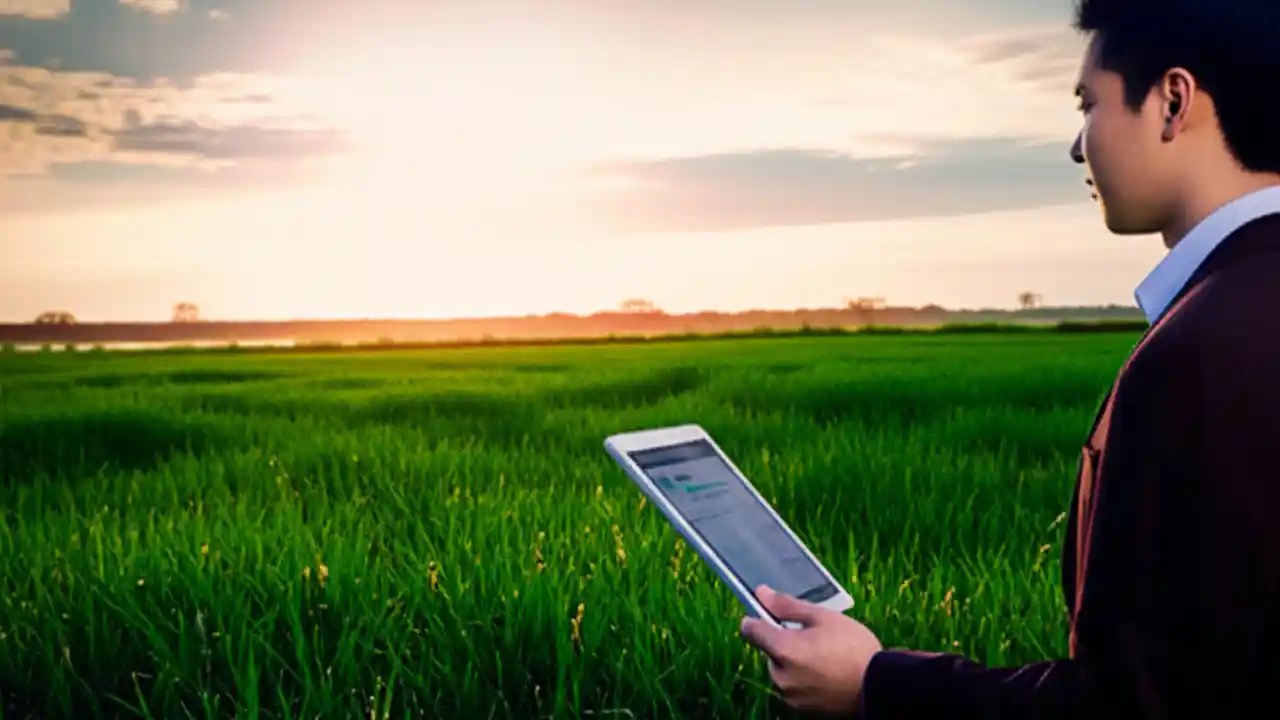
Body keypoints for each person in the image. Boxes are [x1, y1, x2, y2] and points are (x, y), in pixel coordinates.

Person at [739, 0, 1280, 716]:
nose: (1078, 146)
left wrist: (874, 683)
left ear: (1171, 101)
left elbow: (1136, 703)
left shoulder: (1194, 353)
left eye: (1088, 104)